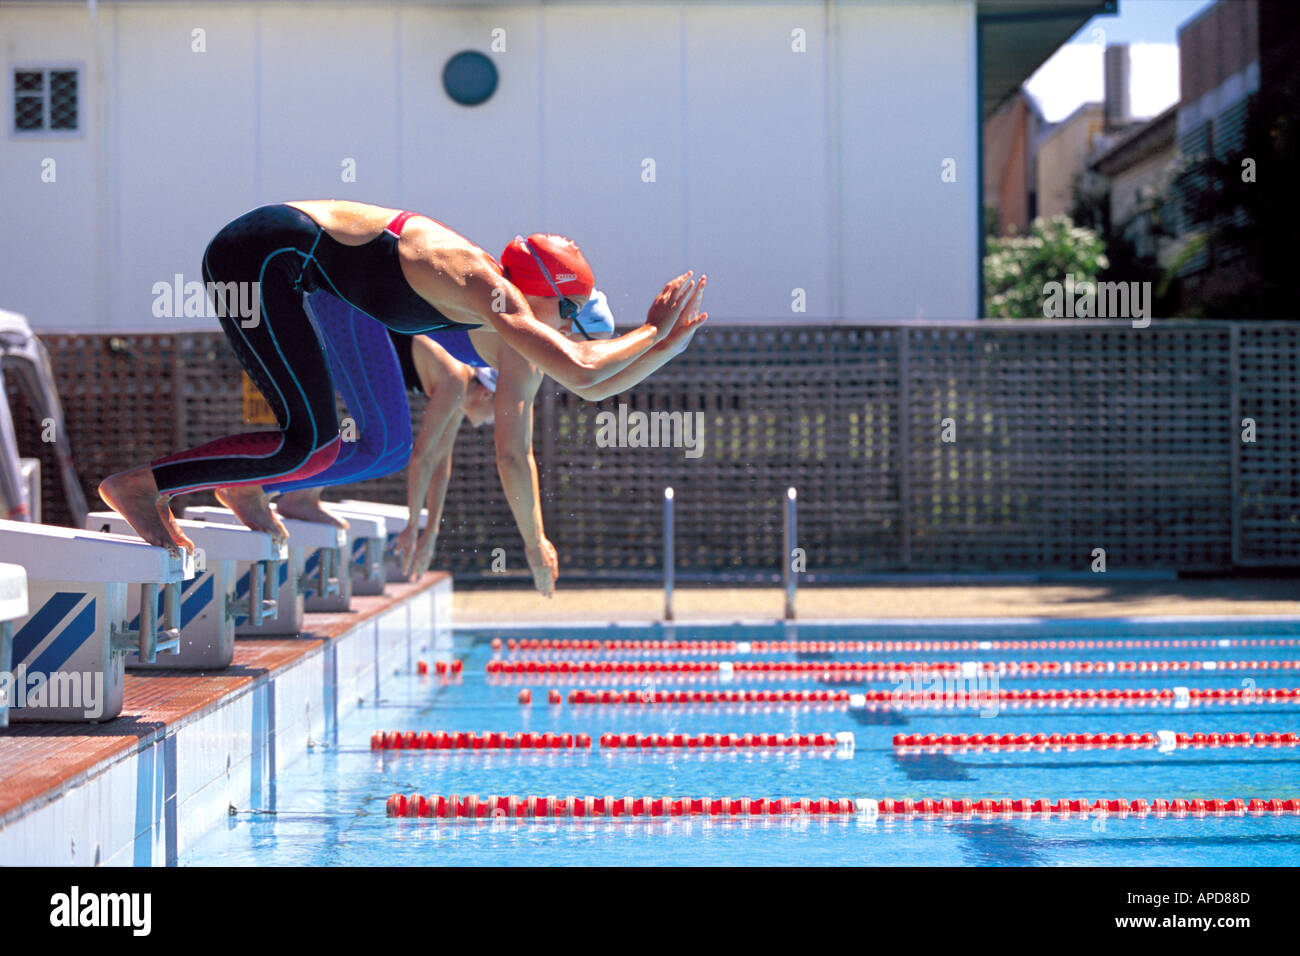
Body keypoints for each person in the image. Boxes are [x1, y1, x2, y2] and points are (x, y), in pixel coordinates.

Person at [97, 200, 707, 553]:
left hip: (300, 273)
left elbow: (590, 385)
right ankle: (140, 487)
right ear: (540, 293)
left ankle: (239, 487)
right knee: (315, 442)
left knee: (313, 447)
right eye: (569, 311)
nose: (571, 326)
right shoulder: (487, 289)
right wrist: (652, 331)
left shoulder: (505, 309)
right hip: (261, 258)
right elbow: (580, 365)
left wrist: (668, 347)